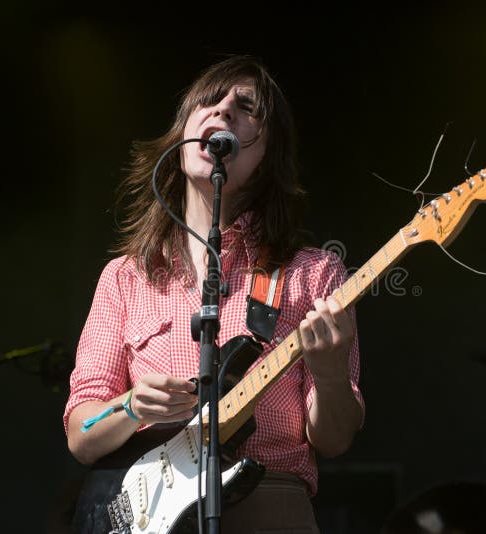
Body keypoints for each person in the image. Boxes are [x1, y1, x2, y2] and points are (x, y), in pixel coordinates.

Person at [63, 54, 364, 533]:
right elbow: (81, 434)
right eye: (209, 101)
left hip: (269, 509)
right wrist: (130, 407)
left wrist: (329, 376)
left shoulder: (313, 272)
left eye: (246, 107)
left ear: (268, 155)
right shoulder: (125, 277)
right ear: (183, 132)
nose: (222, 111)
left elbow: (334, 439)